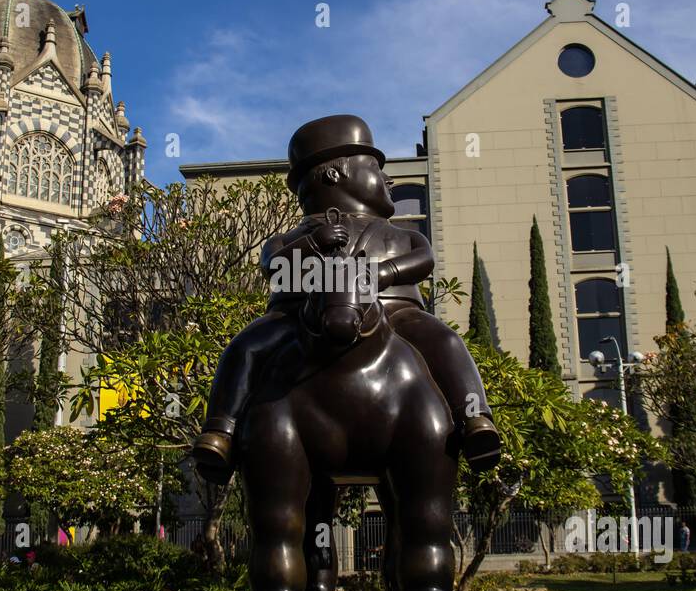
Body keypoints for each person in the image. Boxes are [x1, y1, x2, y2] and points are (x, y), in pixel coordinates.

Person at [192, 115, 500, 475]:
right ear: (333, 175)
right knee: (244, 347)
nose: (388, 179)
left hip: (397, 312)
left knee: (445, 341)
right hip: (296, 314)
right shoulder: (288, 238)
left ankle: (474, 418)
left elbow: (424, 258)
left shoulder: (399, 235)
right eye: (373, 166)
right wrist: (310, 244)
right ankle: (221, 430)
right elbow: (274, 266)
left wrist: (382, 274)